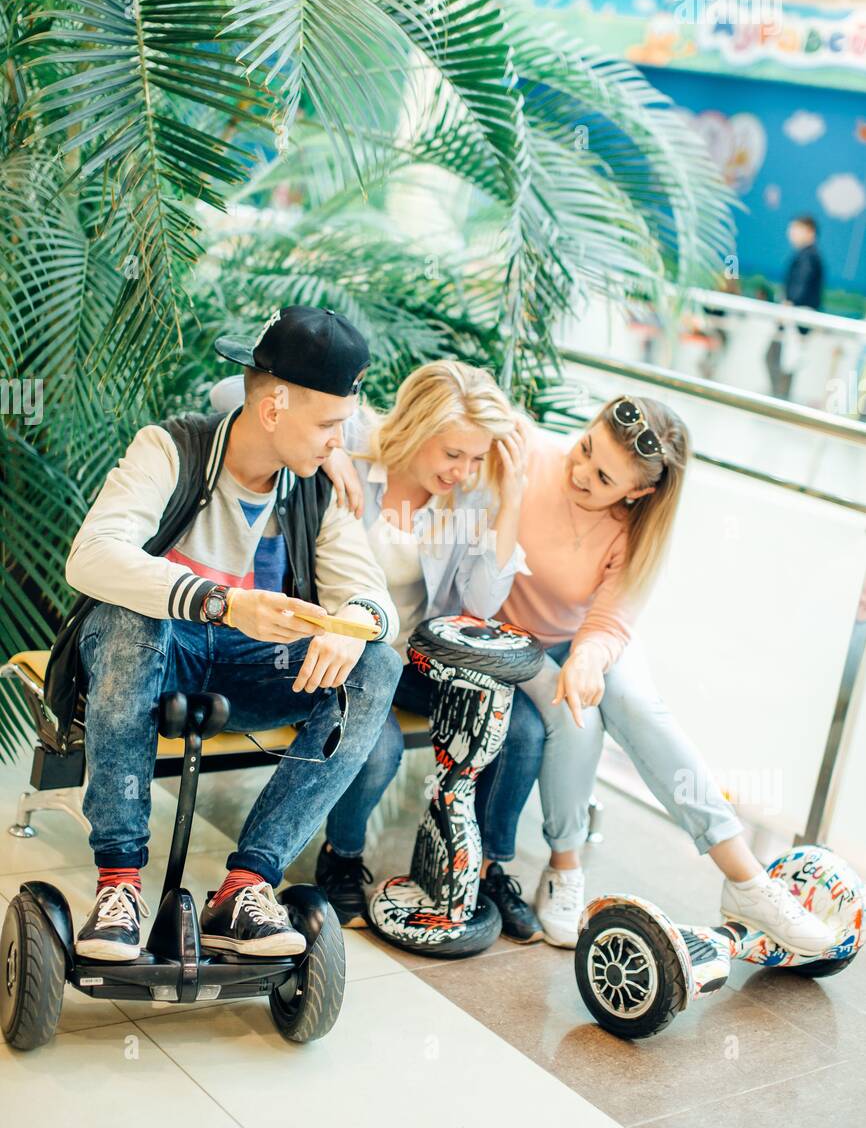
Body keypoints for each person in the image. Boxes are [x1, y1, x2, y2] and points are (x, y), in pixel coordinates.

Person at [44, 306, 402, 962]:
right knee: (130, 612)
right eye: (328, 426)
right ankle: (120, 885)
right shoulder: (169, 448)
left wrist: (355, 628)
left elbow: (374, 599)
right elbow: (90, 557)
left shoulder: (316, 488)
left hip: (245, 669)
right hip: (153, 654)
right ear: (273, 410)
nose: (337, 444)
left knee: (377, 663)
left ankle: (247, 885)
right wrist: (221, 603)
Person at [477, 395, 835, 956]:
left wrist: (588, 659)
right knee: (579, 719)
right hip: (513, 638)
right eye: (585, 447)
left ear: (637, 492)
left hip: (586, 640)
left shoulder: (632, 531)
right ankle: (565, 864)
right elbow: (439, 411)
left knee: (640, 710)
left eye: (602, 477)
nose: (579, 472)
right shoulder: (532, 452)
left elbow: (609, 623)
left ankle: (748, 881)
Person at [210, 361, 544, 937]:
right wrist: (327, 451)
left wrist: (509, 500)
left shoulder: (467, 497)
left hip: (415, 653)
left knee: (521, 730)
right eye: (452, 454)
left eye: (475, 457)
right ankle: (341, 857)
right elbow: (224, 392)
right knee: (379, 745)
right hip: (333, 646)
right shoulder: (351, 435)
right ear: (415, 429)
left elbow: (483, 604)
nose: (464, 471)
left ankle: (488, 867)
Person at [766, 215, 824, 399]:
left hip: (795, 318)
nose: (790, 233)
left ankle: (779, 400)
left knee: (780, 359)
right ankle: (779, 399)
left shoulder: (808, 257)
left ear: (809, 231)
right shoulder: (808, 256)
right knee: (782, 359)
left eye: (795, 229)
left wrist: (789, 304)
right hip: (795, 317)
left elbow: (801, 283)